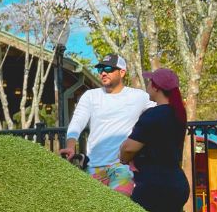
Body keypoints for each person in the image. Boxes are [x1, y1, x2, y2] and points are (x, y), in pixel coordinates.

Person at [60, 53, 154, 194]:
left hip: (122, 167)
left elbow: (161, 112)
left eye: (109, 69)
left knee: (119, 206)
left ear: (122, 72)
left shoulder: (138, 96)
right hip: (94, 167)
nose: (103, 73)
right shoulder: (90, 96)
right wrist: (70, 146)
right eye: (100, 69)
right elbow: (77, 121)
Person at [119, 68, 190, 212]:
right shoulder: (178, 114)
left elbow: (130, 147)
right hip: (177, 185)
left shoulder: (153, 114)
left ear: (156, 87)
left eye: (150, 82)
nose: (148, 84)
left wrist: (123, 156)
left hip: (153, 186)